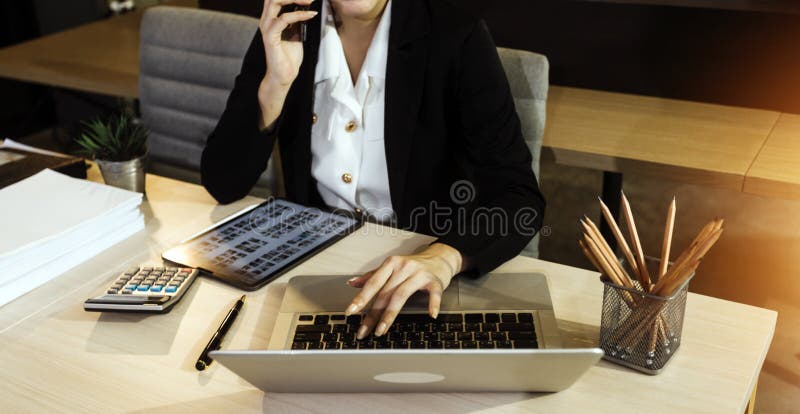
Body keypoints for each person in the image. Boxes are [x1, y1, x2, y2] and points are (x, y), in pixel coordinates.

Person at [201, 0, 546, 340]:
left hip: (421, 280)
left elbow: (520, 198)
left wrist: (444, 257)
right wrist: (276, 85)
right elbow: (223, 183)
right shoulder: (289, 25)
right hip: (313, 273)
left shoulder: (455, 33)